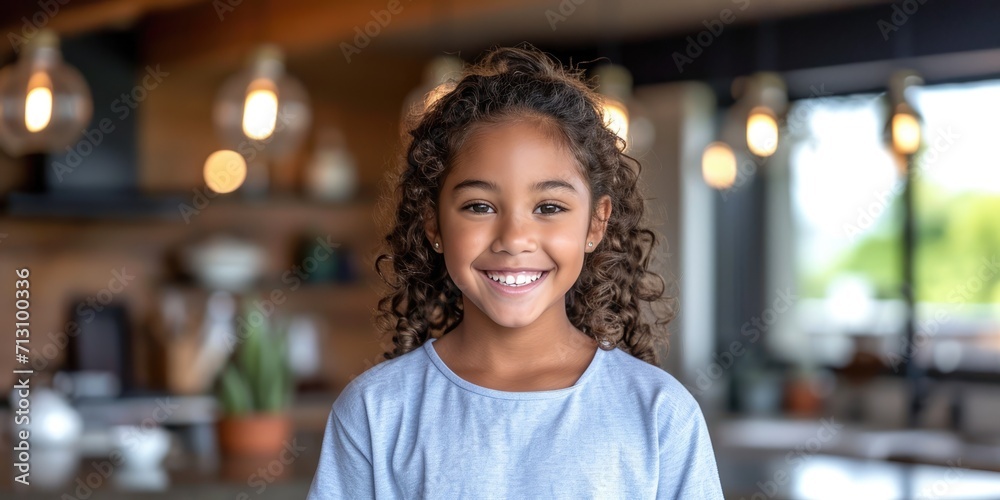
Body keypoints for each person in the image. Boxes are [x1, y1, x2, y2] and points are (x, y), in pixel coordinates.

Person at [307, 44, 723, 499]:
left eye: (549, 207)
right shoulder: (375, 413)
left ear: (596, 223)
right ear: (433, 223)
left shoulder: (661, 414)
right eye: (479, 206)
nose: (514, 237)